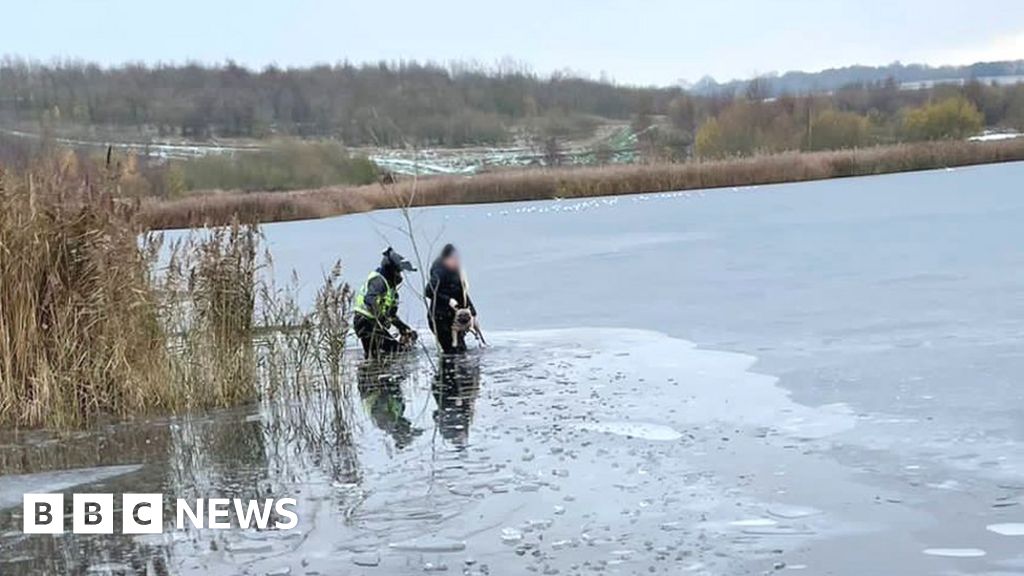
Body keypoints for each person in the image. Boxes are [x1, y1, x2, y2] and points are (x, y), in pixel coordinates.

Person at [353, 247, 418, 358]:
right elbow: (369, 299)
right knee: (394, 350)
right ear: (391, 271)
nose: (400, 276)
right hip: (365, 322)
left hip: (372, 323)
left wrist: (403, 328)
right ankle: (373, 372)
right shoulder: (379, 281)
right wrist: (382, 319)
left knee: (377, 355)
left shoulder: (391, 291)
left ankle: (372, 372)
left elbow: (391, 316)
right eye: (398, 272)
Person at [424, 244, 477, 354]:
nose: (457, 262)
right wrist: (448, 300)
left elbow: (462, 293)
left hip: (453, 318)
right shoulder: (439, 272)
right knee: (451, 351)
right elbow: (428, 291)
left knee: (461, 351)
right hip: (439, 319)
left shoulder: (456, 272)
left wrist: (473, 312)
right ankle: (446, 369)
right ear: (446, 259)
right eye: (454, 259)